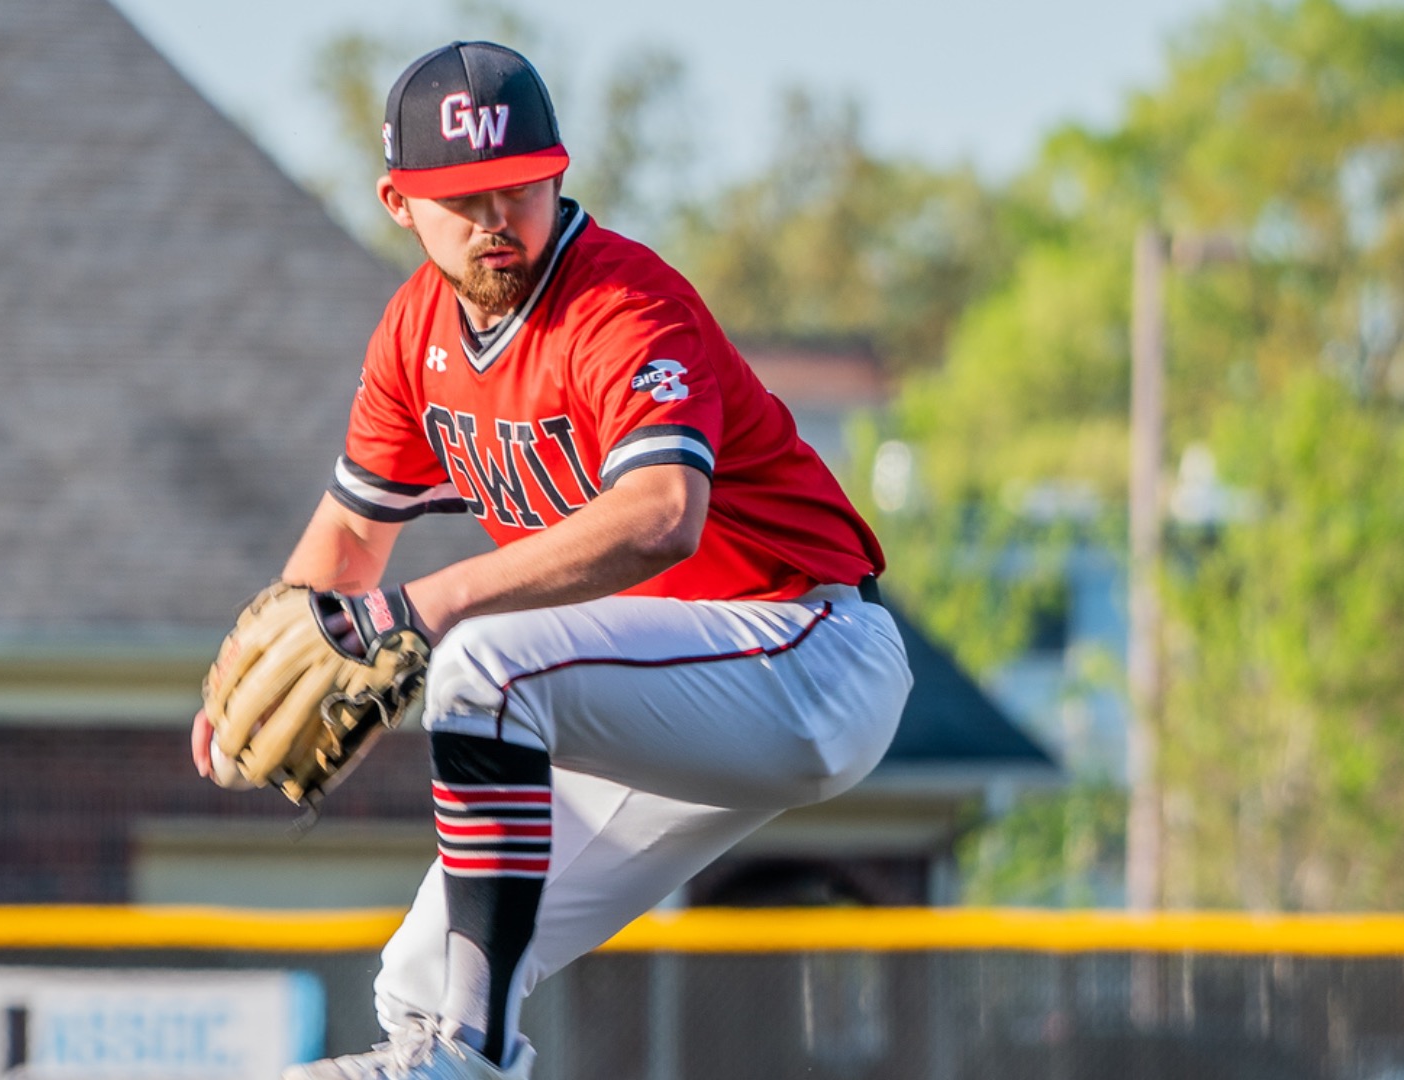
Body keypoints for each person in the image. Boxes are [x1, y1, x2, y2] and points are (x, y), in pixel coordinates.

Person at [193, 40, 912, 1080]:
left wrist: (425, 607)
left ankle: (478, 1061)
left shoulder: (621, 304)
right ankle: (458, 1050)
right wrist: (247, 672)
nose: (496, 218)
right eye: (466, 194)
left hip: (804, 648)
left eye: (518, 186)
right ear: (400, 203)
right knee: (418, 983)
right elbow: (351, 537)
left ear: (558, 172)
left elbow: (664, 511)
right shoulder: (413, 338)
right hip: (660, 701)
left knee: (487, 667)